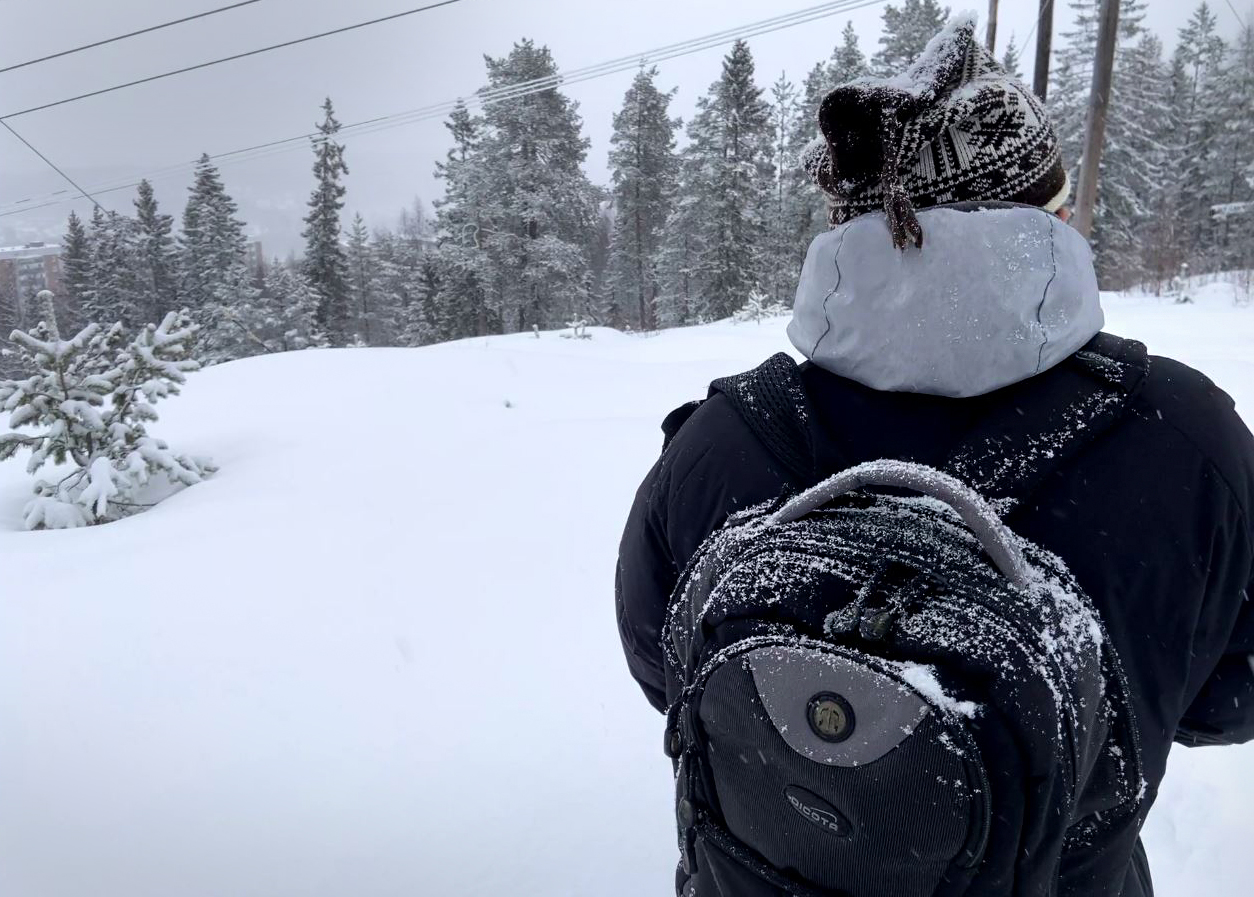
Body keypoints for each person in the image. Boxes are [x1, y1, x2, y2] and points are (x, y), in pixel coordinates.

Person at [615, 15, 1254, 897]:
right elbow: (1230, 698)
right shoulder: (1187, 440)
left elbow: (664, 664)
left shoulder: (720, 443)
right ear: (1045, 222)